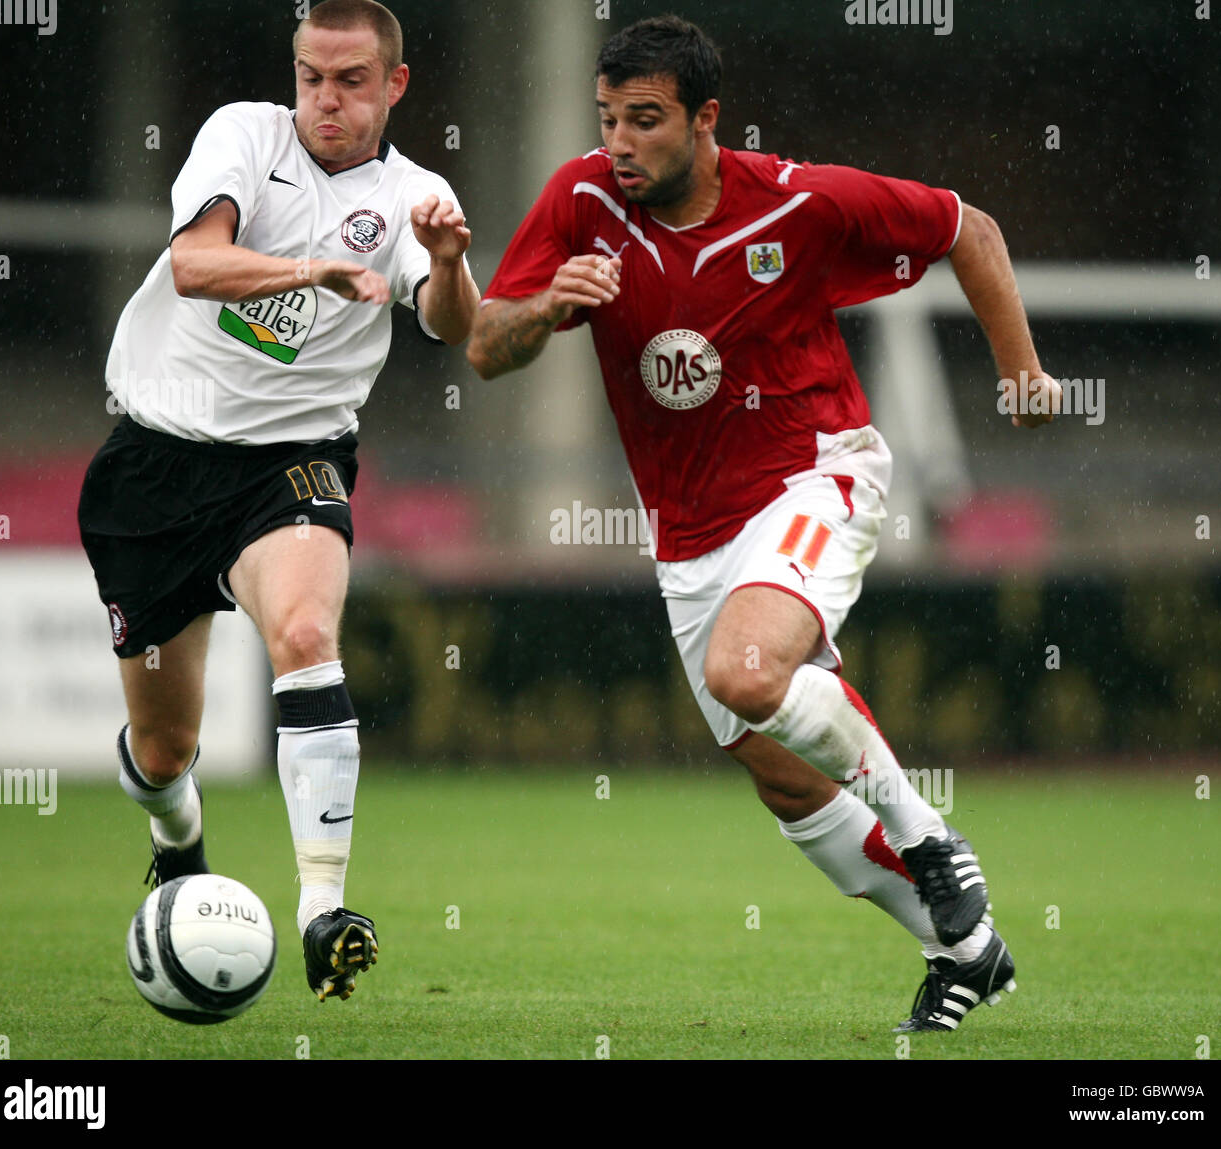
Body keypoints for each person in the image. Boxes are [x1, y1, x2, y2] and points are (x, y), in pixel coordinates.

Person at [468, 14, 1059, 1032]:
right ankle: (962, 946)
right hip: (688, 535)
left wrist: (1023, 373)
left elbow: (970, 228)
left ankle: (928, 836)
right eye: (606, 118)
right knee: (787, 783)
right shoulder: (579, 202)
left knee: (748, 673)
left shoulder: (800, 203)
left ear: (705, 120)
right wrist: (543, 304)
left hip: (815, 473)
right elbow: (484, 346)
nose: (619, 142)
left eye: (644, 121)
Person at [78, 0, 479, 1003]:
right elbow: (192, 263)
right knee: (165, 749)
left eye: (349, 80)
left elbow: (452, 328)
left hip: (292, 464)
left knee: (305, 632)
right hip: (155, 469)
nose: (325, 100)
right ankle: (179, 843)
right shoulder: (242, 136)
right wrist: (311, 267)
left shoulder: (416, 195)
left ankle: (322, 909)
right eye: (310, 76)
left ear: (394, 84)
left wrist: (447, 262)